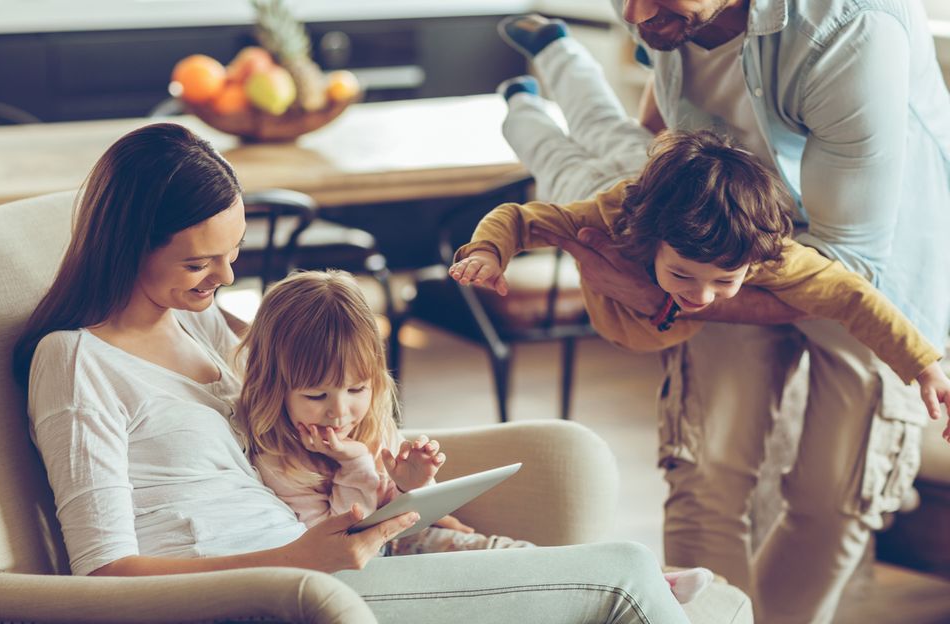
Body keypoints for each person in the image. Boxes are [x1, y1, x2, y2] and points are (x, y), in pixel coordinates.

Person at [11, 121, 698, 623]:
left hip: (326, 569)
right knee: (625, 576)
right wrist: (296, 562)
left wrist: (396, 488)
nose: (224, 278)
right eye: (199, 263)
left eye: (233, 253)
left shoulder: (200, 321)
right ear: (129, 245)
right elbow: (104, 571)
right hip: (259, 597)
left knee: (629, 573)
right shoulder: (75, 362)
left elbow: (327, 385)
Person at [494, 6, 950, 623]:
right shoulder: (659, 16)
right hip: (711, 238)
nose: (633, 13)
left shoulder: (853, 28)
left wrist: (659, 299)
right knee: (704, 474)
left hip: (863, 264)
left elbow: (849, 271)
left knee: (836, 496)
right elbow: (668, 107)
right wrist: (646, 201)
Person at [237, 268, 716, 603]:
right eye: (316, 394)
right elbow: (347, 539)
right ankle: (629, 580)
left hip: (406, 540)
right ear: (274, 385)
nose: (340, 410)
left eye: (356, 389)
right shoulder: (280, 459)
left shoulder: (364, 423)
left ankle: (645, 578)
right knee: (495, 565)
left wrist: (413, 485)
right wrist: (355, 462)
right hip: (377, 568)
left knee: (502, 551)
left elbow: (393, 506)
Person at [449, 129, 950, 427]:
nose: (702, 296)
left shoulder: (771, 255)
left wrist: (925, 367)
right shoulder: (613, 217)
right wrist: (489, 252)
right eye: (682, 275)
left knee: (613, 136)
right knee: (561, 151)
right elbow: (519, 217)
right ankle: (526, 94)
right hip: (597, 197)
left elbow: (854, 296)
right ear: (652, 239)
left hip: (646, 181)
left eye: (723, 281)